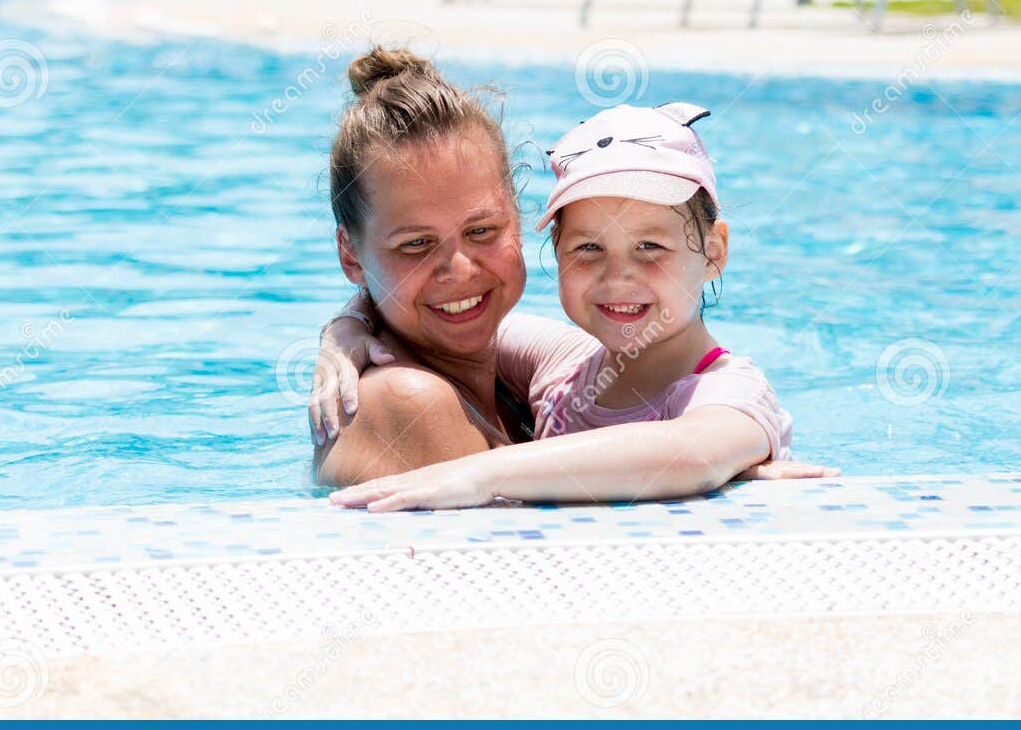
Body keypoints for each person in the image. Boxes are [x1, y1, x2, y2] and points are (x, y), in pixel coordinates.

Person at [312, 47, 834, 507]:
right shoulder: (537, 376)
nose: (461, 271)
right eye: (416, 245)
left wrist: (482, 473)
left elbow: (688, 450)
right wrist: (346, 327)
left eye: (482, 231)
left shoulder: (716, 389)